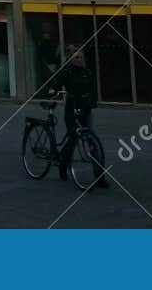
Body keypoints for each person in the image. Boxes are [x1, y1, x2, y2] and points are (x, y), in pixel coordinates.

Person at [46, 44, 109, 190]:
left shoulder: (87, 72)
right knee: (73, 138)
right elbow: (57, 83)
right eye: (76, 58)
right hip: (71, 111)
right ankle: (63, 165)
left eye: (81, 57)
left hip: (85, 110)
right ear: (71, 59)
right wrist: (52, 89)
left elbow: (93, 90)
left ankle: (99, 177)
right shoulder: (66, 72)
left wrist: (92, 103)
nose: (79, 60)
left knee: (92, 141)